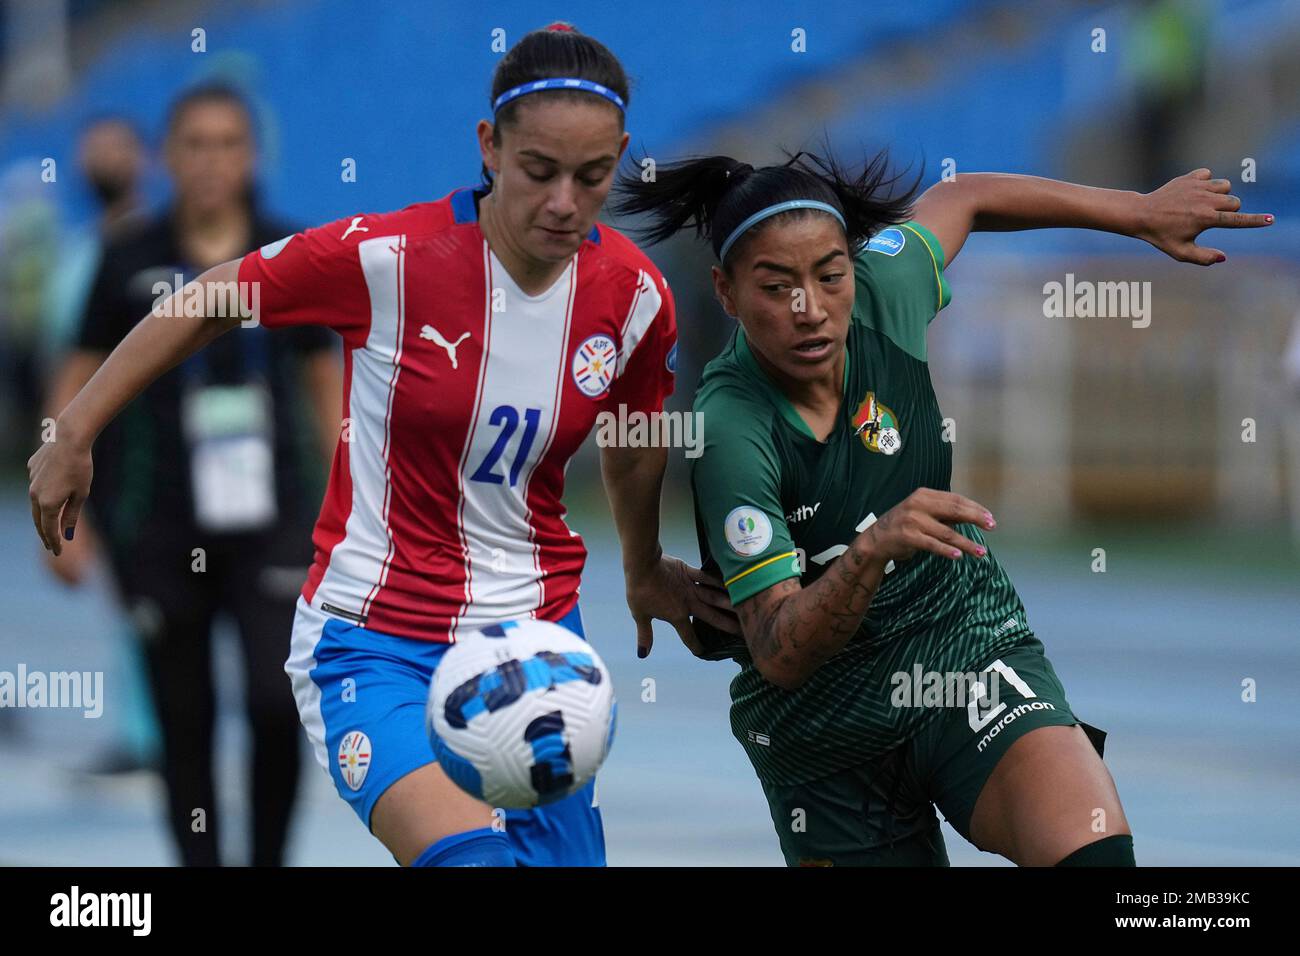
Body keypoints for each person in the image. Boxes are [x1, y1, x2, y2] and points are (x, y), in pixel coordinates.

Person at [29, 24, 735, 868]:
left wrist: (644, 564)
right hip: (375, 638)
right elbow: (207, 299)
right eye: (538, 171)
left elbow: (631, 444)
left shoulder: (638, 298)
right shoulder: (388, 257)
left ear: (621, 156)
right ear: (489, 146)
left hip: (537, 639)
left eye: (591, 177)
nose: (562, 203)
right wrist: (73, 429)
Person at [615, 153, 1271, 866]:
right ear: (727, 292)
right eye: (777, 287)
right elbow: (779, 653)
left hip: (960, 642)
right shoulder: (732, 428)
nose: (810, 308)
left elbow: (966, 195)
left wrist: (1136, 212)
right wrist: (872, 550)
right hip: (820, 728)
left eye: (829, 276)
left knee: (1096, 858)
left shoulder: (887, 283)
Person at [42, 84, 342, 865]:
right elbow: (74, 382)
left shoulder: (289, 252)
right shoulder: (128, 256)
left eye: (228, 143)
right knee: (184, 718)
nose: (211, 161)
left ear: (253, 155)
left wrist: (351, 505)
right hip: (155, 522)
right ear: (168, 156)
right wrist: (64, 510)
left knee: (277, 704)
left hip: (274, 519)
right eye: (195, 144)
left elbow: (325, 389)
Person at [42, 114, 159, 775]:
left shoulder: (162, 253)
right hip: (100, 455)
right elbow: (67, 365)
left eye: (115, 150)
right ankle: (148, 733)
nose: (102, 163)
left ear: (144, 159)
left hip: (158, 448)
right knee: (129, 593)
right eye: (91, 153)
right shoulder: (74, 256)